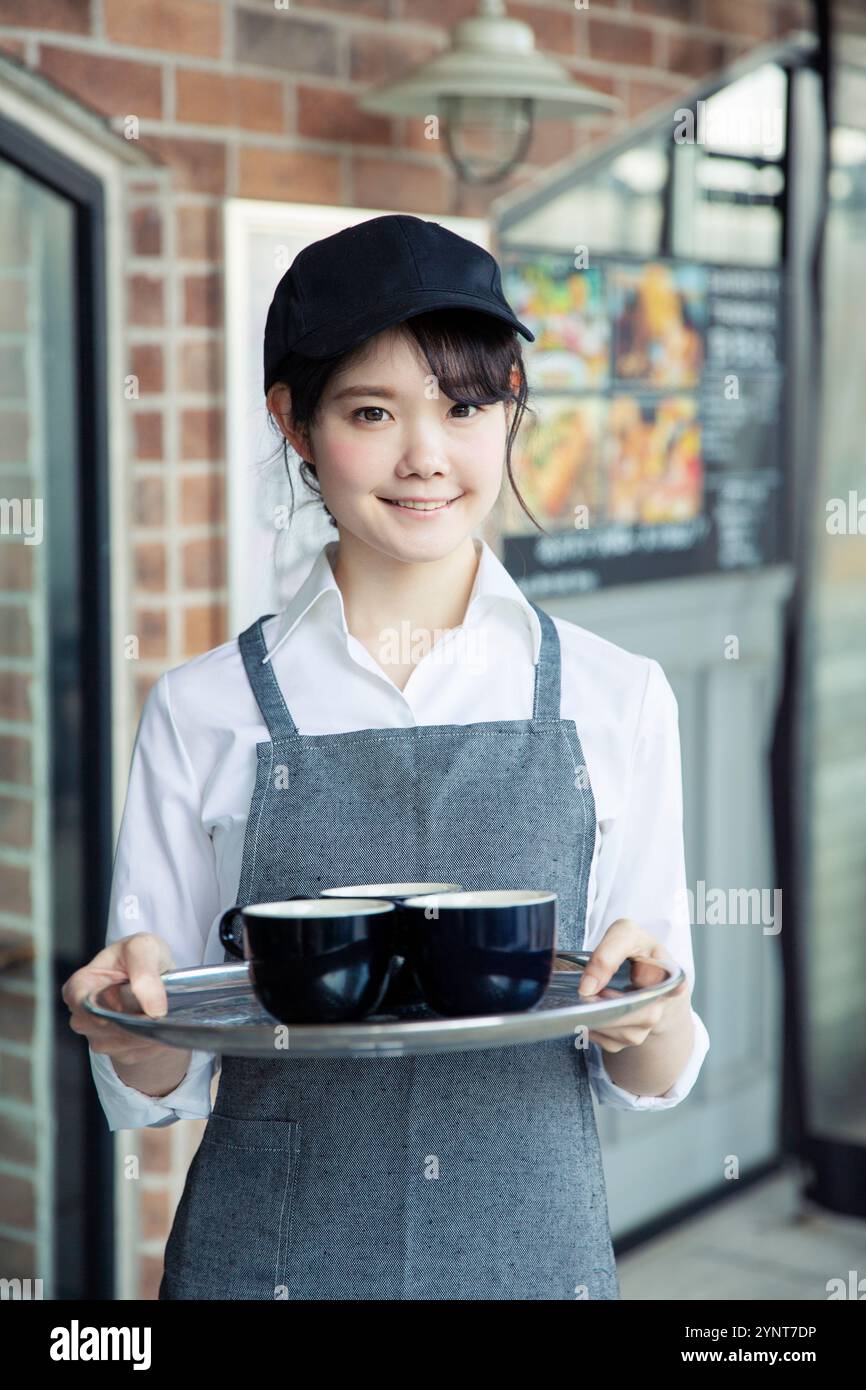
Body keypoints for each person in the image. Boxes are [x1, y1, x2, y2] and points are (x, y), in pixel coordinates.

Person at [62, 214, 710, 1300]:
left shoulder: (618, 696)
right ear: (296, 423)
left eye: (465, 407)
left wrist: (650, 1008)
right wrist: (123, 1020)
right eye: (372, 411)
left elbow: (647, 1071)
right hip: (264, 1262)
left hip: (530, 1265)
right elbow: (165, 1070)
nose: (425, 456)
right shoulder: (201, 708)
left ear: (508, 408)